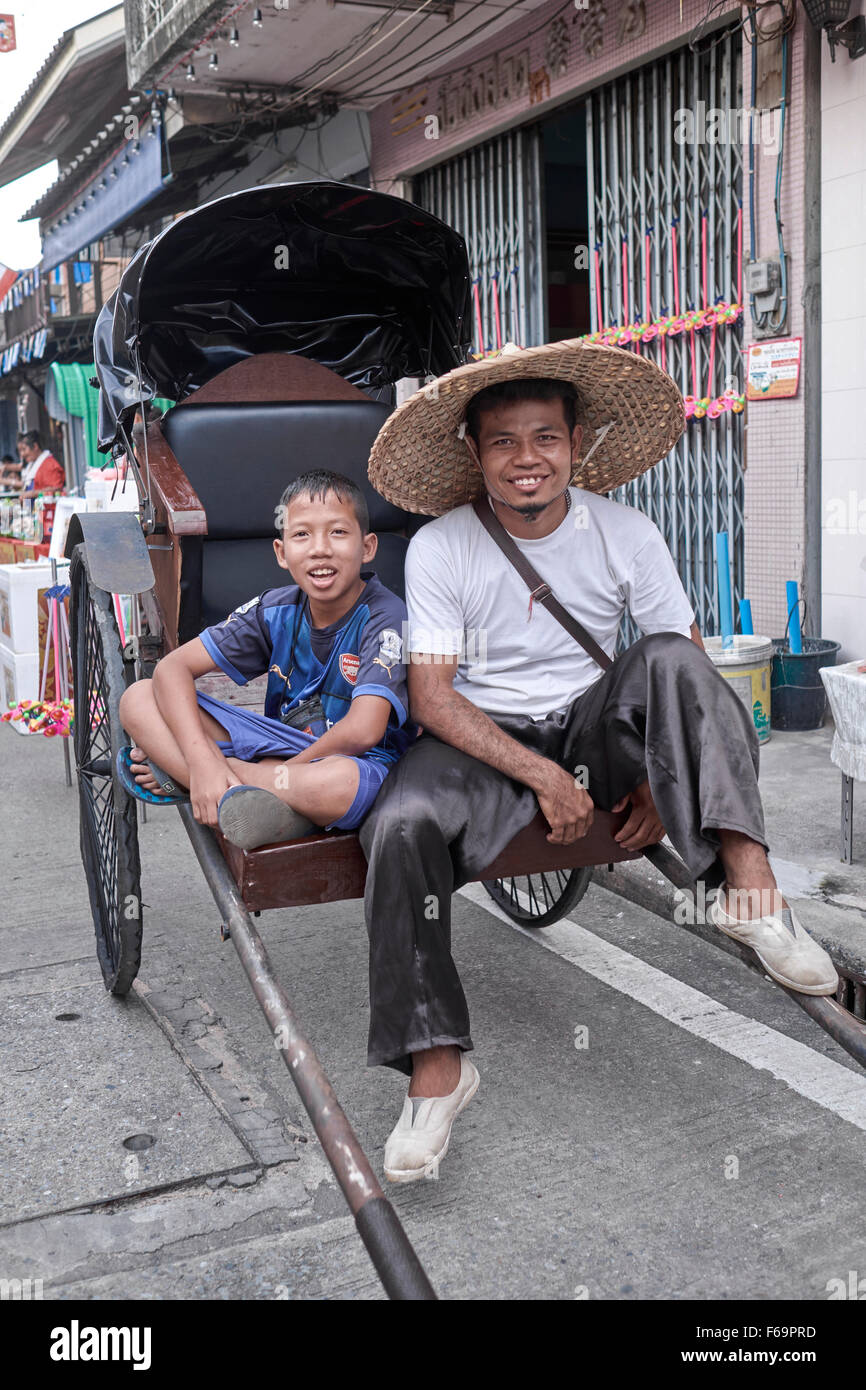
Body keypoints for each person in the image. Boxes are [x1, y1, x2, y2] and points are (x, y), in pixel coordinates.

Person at [361, 339, 838, 1184]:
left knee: (678, 658)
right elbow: (433, 699)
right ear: (474, 452)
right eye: (503, 441)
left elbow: (680, 667)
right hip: (483, 737)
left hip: (593, 727)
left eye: (545, 437)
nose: (526, 460)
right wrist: (542, 776)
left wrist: (657, 774)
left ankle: (752, 892)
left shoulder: (627, 531)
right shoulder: (440, 546)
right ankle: (437, 1073)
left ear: (577, 442)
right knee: (397, 826)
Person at [117, 469, 416, 846]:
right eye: (301, 535)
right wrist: (202, 761)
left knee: (340, 783)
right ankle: (237, 788)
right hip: (280, 745)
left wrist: (280, 774)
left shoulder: (385, 615)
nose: (320, 548)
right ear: (281, 552)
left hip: (358, 762)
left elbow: (363, 731)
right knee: (139, 697)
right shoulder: (274, 609)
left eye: (338, 532)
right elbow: (173, 667)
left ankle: (213, 784)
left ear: (368, 547)